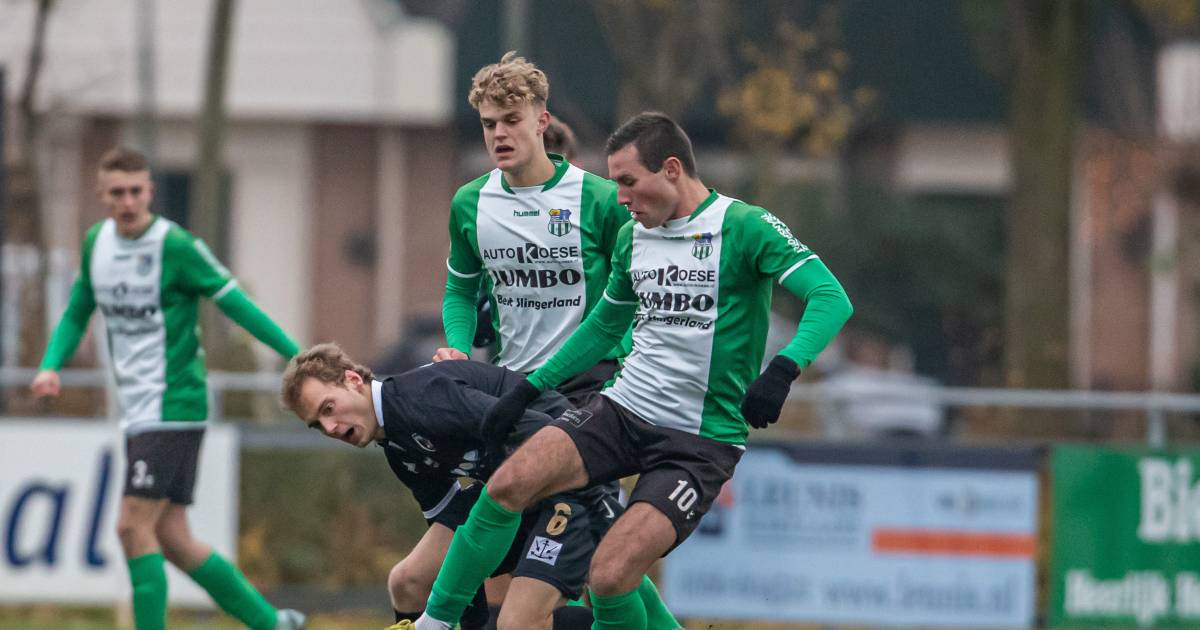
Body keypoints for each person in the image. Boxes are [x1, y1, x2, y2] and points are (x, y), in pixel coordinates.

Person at [405, 112, 854, 630]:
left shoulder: (744, 226)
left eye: (628, 182)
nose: (620, 198)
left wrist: (782, 369)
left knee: (612, 575)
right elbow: (601, 329)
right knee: (508, 484)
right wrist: (529, 388)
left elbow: (830, 297)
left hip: (697, 441)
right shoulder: (633, 237)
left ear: (670, 169)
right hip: (619, 410)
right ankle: (434, 623)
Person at [30, 147, 305, 630]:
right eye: (118, 193)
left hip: (174, 403)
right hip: (138, 410)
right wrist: (51, 365)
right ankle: (272, 623)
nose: (128, 201)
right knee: (173, 538)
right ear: (102, 196)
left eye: (137, 191)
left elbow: (236, 304)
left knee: (130, 526)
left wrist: (298, 356)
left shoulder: (175, 246)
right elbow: (78, 311)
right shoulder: (98, 243)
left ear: (150, 192)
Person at [278, 343, 680, 630]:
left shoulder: (423, 398)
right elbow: (454, 547)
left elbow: (542, 435)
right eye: (317, 424)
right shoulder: (396, 443)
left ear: (352, 380)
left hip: (569, 487)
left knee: (521, 621)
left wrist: (596, 495)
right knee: (409, 580)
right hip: (511, 499)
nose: (329, 428)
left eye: (328, 408)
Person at [434, 52, 631, 409]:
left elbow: (638, 290)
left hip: (591, 381)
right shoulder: (469, 202)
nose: (500, 134)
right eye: (489, 123)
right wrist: (460, 351)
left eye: (512, 120)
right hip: (512, 379)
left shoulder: (600, 198)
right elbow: (460, 292)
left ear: (541, 122)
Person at [471, 113, 580, 352]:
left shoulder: (590, 213)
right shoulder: (488, 218)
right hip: (511, 370)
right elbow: (473, 321)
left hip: (579, 373)